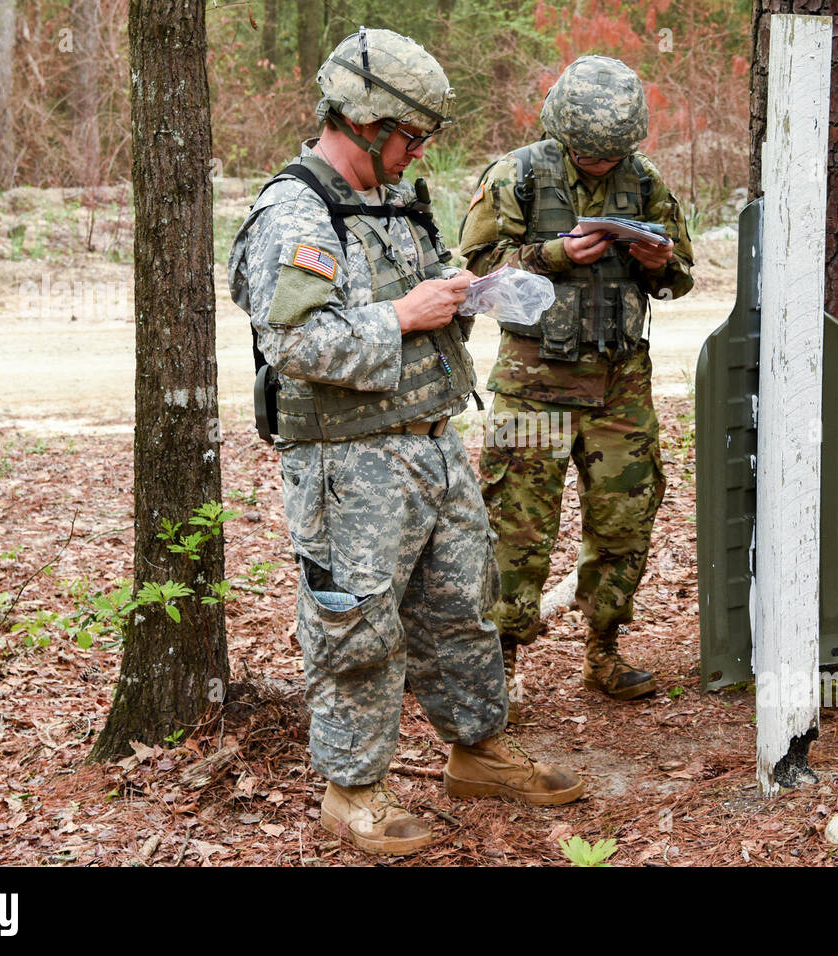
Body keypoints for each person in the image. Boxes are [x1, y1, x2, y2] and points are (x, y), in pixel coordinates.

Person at [227, 27, 582, 856]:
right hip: (348, 466)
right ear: (363, 121)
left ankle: (478, 750)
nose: (416, 152)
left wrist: (468, 293)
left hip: (432, 446)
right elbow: (295, 343)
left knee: (463, 608)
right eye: (410, 137)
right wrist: (401, 315)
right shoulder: (295, 213)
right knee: (359, 630)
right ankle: (352, 791)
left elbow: (423, 292)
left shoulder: (395, 199)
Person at [458, 55, 694, 714]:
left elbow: (680, 279)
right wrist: (552, 255)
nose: (600, 163)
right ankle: (498, 662)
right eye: (589, 154)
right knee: (516, 527)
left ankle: (603, 650)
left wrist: (659, 261)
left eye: (610, 154)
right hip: (535, 385)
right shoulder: (518, 176)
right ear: (563, 132)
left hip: (620, 385)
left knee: (625, 520)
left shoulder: (644, 181)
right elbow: (474, 280)